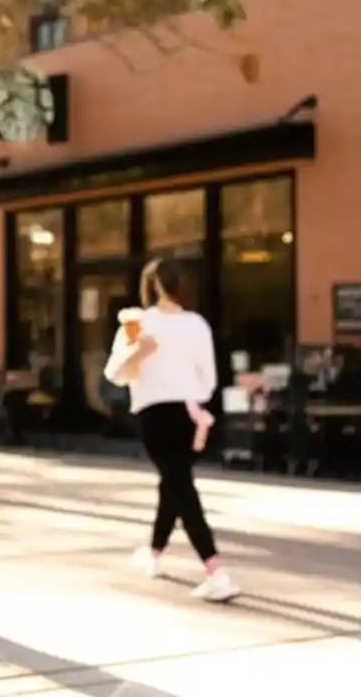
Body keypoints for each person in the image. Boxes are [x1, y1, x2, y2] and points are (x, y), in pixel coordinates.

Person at [104, 258, 241, 602]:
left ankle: (216, 569)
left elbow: (115, 374)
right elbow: (208, 380)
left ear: (150, 286)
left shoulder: (138, 323)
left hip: (155, 414)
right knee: (175, 483)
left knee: (181, 488)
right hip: (193, 416)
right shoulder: (197, 324)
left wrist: (140, 354)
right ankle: (153, 554)